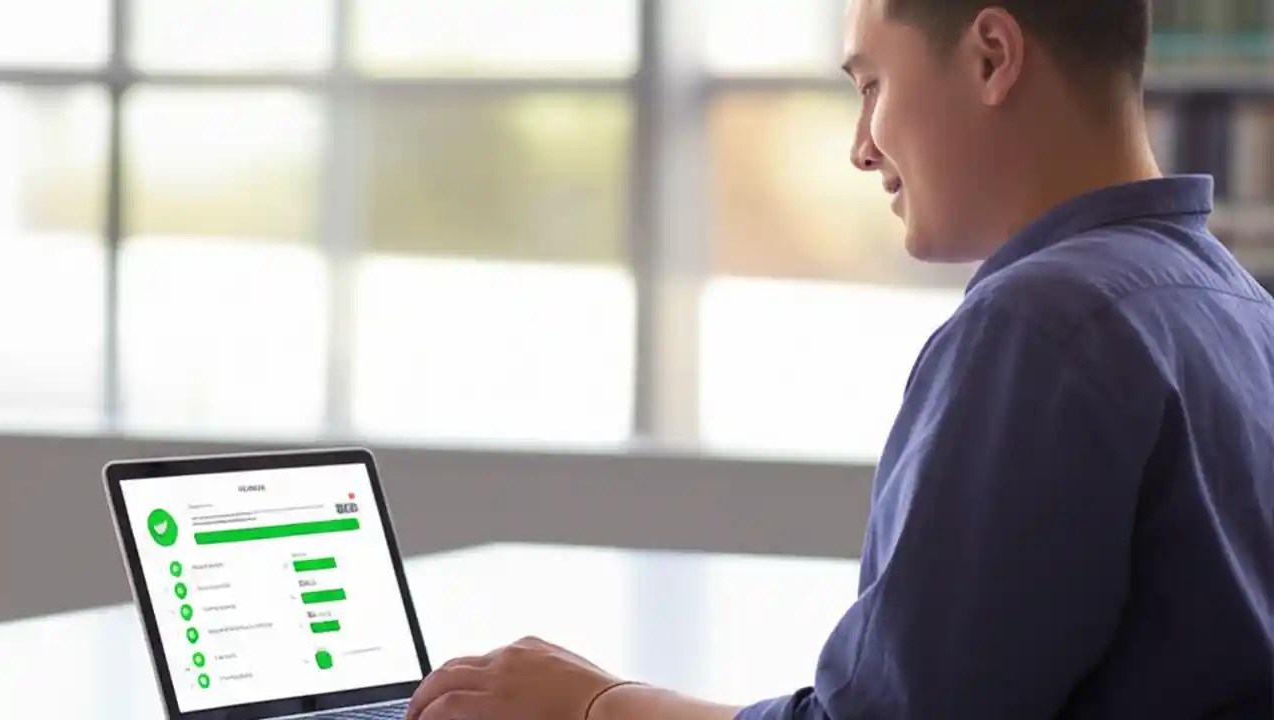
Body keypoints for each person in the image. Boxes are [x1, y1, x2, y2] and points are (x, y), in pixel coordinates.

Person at [406, 0, 1274, 717]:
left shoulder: (1038, 327)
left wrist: (594, 706)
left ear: (992, 56)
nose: (861, 145)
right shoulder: (1237, 307)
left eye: (873, 85)